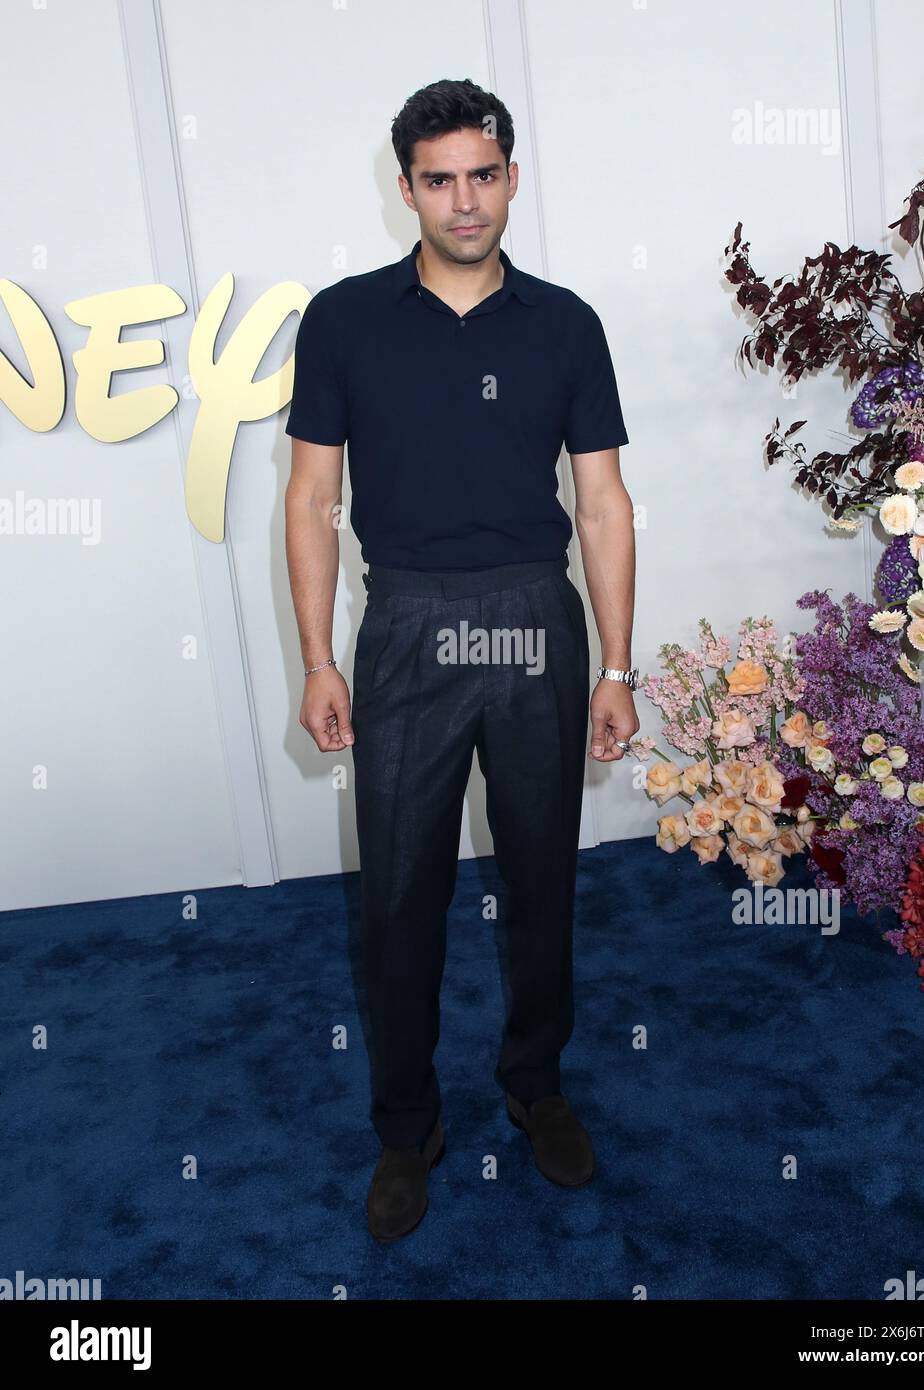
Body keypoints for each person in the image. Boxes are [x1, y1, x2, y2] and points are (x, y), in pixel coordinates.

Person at [284, 77, 638, 1242]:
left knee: (540, 878)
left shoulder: (565, 323)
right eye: (438, 179)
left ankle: (535, 1086)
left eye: (481, 174)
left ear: (511, 178)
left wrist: (617, 669)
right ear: (406, 192)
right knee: (399, 896)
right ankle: (407, 1126)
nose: (463, 198)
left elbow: (602, 505)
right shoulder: (341, 320)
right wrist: (318, 660)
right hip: (406, 631)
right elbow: (310, 497)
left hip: (537, 620)